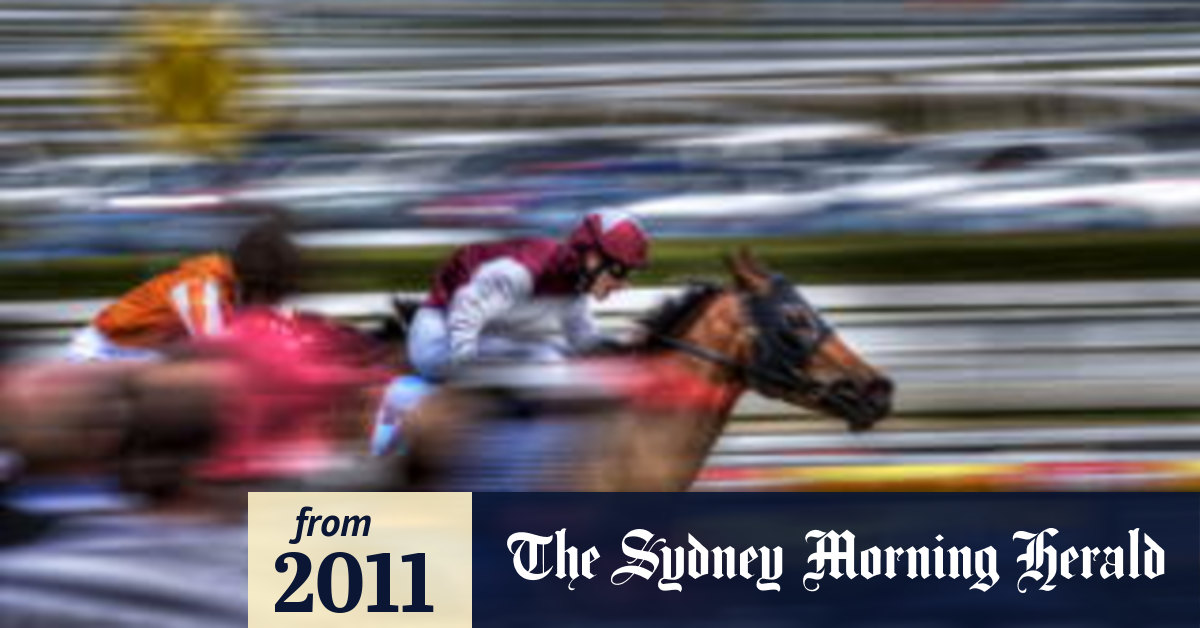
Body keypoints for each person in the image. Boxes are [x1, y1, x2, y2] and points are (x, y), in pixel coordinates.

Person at [370, 209, 650, 457]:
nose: (623, 284)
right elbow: (466, 310)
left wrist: (630, 353)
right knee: (544, 360)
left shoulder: (572, 287)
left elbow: (584, 342)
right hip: (437, 336)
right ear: (590, 256)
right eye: (619, 270)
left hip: (474, 334)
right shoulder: (522, 272)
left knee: (552, 358)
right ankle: (407, 398)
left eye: (627, 274)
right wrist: (467, 369)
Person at [65, 219, 301, 363]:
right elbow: (215, 353)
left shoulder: (240, 287)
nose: (271, 305)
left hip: (146, 357)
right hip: (101, 356)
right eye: (272, 296)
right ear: (255, 285)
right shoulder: (199, 288)